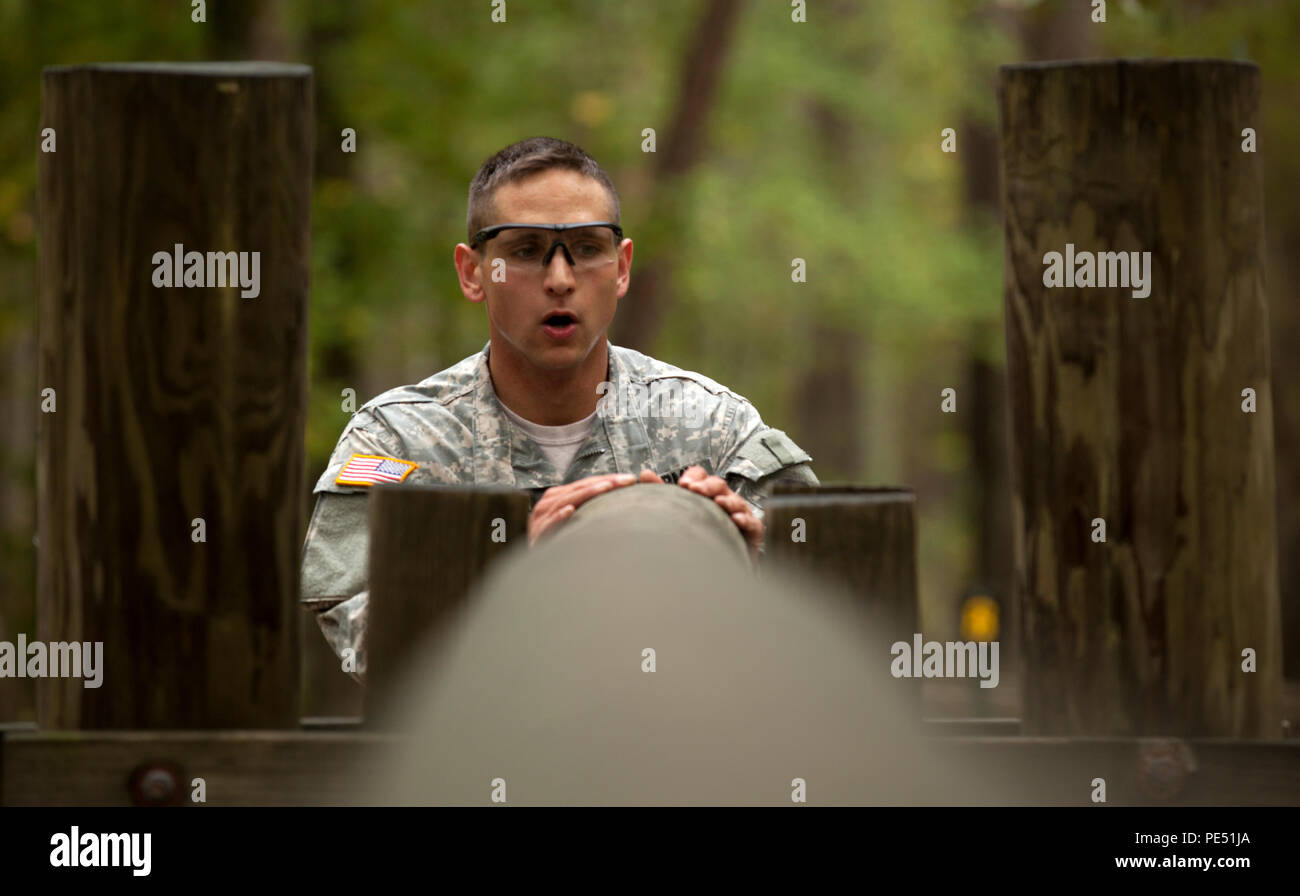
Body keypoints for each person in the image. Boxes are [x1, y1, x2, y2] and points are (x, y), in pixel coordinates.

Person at [301, 137, 818, 682]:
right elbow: (365, 647)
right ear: (473, 272)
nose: (560, 279)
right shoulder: (400, 441)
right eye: (525, 251)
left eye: (588, 249)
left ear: (622, 269)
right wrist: (509, 574)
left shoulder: (714, 428)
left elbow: (836, 623)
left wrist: (757, 566)